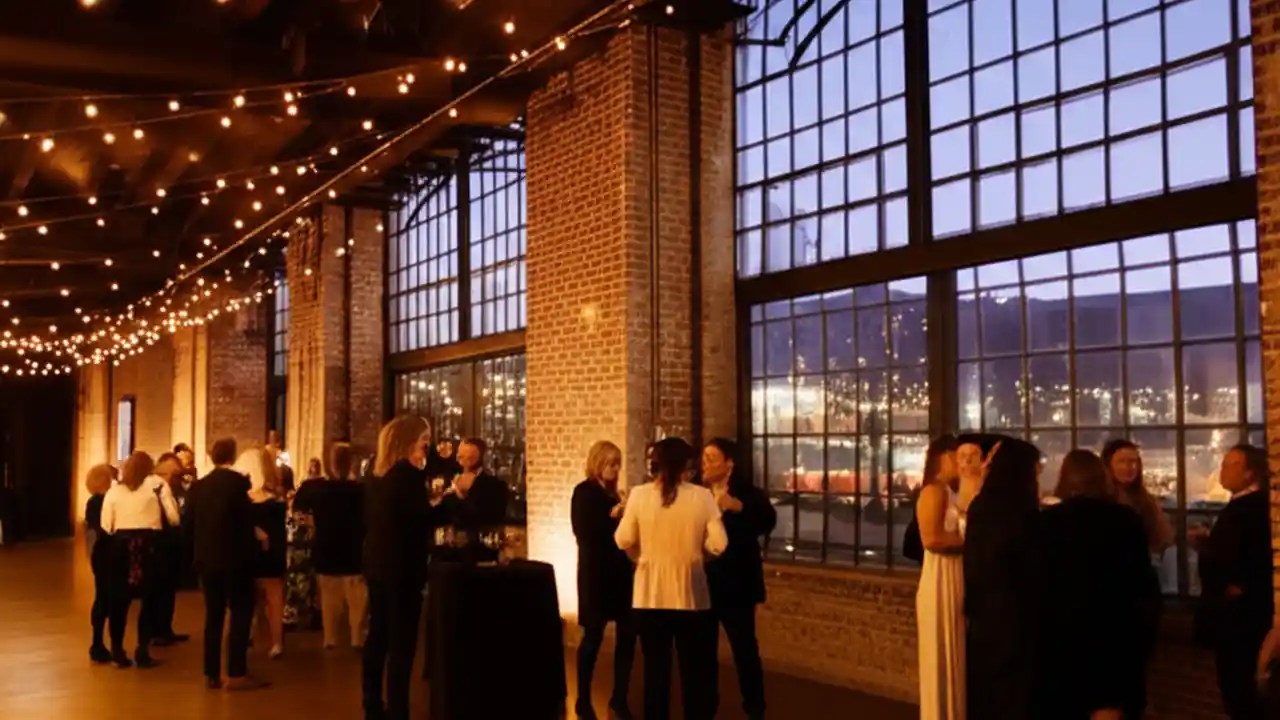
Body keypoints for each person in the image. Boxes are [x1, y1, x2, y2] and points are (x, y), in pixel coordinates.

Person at [1038, 450, 1161, 719]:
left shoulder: (1046, 523)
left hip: (1064, 636)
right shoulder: (1125, 520)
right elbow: (1141, 580)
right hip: (1114, 632)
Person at [614, 437, 727, 720]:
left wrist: (640, 555)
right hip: (691, 594)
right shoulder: (702, 496)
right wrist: (697, 555)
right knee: (693, 672)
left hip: (649, 594)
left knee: (655, 672)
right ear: (686, 465)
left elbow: (623, 538)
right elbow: (719, 544)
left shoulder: (639, 495)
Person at [962, 435, 1040, 720]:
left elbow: (975, 564)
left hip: (986, 615)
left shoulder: (981, 506)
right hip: (1018, 616)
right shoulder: (1024, 512)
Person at [1195, 444, 1273, 720]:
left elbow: (1239, 557)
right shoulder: (1251, 507)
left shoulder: (1247, 509)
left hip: (1240, 619)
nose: (1223, 470)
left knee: (1240, 692)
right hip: (1242, 612)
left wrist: (1231, 585)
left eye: (1231, 465)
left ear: (1250, 473)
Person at [363, 415, 432, 720]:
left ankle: (372, 703)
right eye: (423, 441)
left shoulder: (376, 476)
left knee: (378, 636)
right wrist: (455, 499)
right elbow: (421, 520)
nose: (426, 448)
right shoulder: (407, 476)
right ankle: (398, 709)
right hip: (403, 568)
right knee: (402, 644)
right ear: (408, 442)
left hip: (377, 563)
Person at [701, 437, 776, 720]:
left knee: (744, 649)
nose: (705, 464)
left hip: (737, 584)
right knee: (703, 651)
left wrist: (737, 507)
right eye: (704, 458)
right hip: (704, 582)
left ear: (729, 464)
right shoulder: (697, 493)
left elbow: (767, 520)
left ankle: (755, 708)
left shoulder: (747, 493)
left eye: (712, 458)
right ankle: (706, 706)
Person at [185, 437, 268, 691]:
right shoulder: (238, 484)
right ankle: (236, 673)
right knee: (241, 613)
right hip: (236, 559)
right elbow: (245, 521)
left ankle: (211, 673)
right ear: (232, 455)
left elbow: (188, 524)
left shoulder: (198, 487)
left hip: (207, 559)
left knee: (214, 615)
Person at [571, 441, 636, 720]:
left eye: (618, 463)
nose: (615, 469)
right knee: (593, 637)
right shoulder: (584, 492)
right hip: (595, 573)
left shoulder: (615, 495)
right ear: (597, 463)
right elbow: (584, 531)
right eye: (610, 463)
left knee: (627, 637)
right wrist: (614, 517)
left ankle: (620, 698)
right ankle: (583, 699)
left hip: (620, 573)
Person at [100, 451, 181, 669]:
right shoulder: (157, 485)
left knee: (119, 601)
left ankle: (117, 649)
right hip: (150, 545)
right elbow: (173, 518)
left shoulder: (114, 491)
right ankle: (142, 649)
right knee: (150, 599)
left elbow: (106, 524)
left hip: (121, 547)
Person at [293, 441, 367, 650]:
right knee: (356, 594)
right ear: (351, 463)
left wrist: (311, 524)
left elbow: (297, 511)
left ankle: (330, 637)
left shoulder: (315, 488)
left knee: (329, 594)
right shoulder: (362, 490)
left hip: (326, 545)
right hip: (354, 547)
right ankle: (356, 636)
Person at [913, 435, 964, 720]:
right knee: (940, 654)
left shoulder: (952, 492)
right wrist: (970, 542)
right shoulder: (934, 491)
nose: (962, 463)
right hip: (940, 576)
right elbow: (931, 539)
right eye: (958, 456)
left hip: (953, 574)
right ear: (943, 457)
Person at [237, 447, 288, 659]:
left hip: (250, 552)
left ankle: (248, 635)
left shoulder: (245, 500)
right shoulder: (276, 498)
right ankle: (276, 642)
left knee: (250, 596)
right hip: (273, 552)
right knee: (274, 597)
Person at [429, 437, 510, 561]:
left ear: (479, 459)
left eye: (468, 458)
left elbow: (487, 519)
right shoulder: (449, 483)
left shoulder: (495, 486)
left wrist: (462, 495)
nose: (461, 461)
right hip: (449, 557)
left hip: (481, 556)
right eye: (460, 456)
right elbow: (438, 517)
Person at [1101, 439, 1174, 554]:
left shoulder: (1148, 501)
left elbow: (1164, 537)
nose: (1128, 467)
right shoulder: (1101, 500)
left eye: (1133, 461)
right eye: (1121, 461)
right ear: (1108, 465)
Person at [148, 452, 190, 647]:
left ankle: (162, 629)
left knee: (163, 589)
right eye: (171, 472)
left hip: (160, 543)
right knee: (162, 588)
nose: (173, 476)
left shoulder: (163, 486)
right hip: (162, 543)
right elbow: (173, 518)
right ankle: (160, 631)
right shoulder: (160, 487)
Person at [85, 463, 116, 663]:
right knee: (109, 598)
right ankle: (106, 643)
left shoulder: (91, 502)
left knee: (101, 597)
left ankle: (97, 641)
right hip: (109, 552)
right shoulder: (106, 500)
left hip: (99, 553)